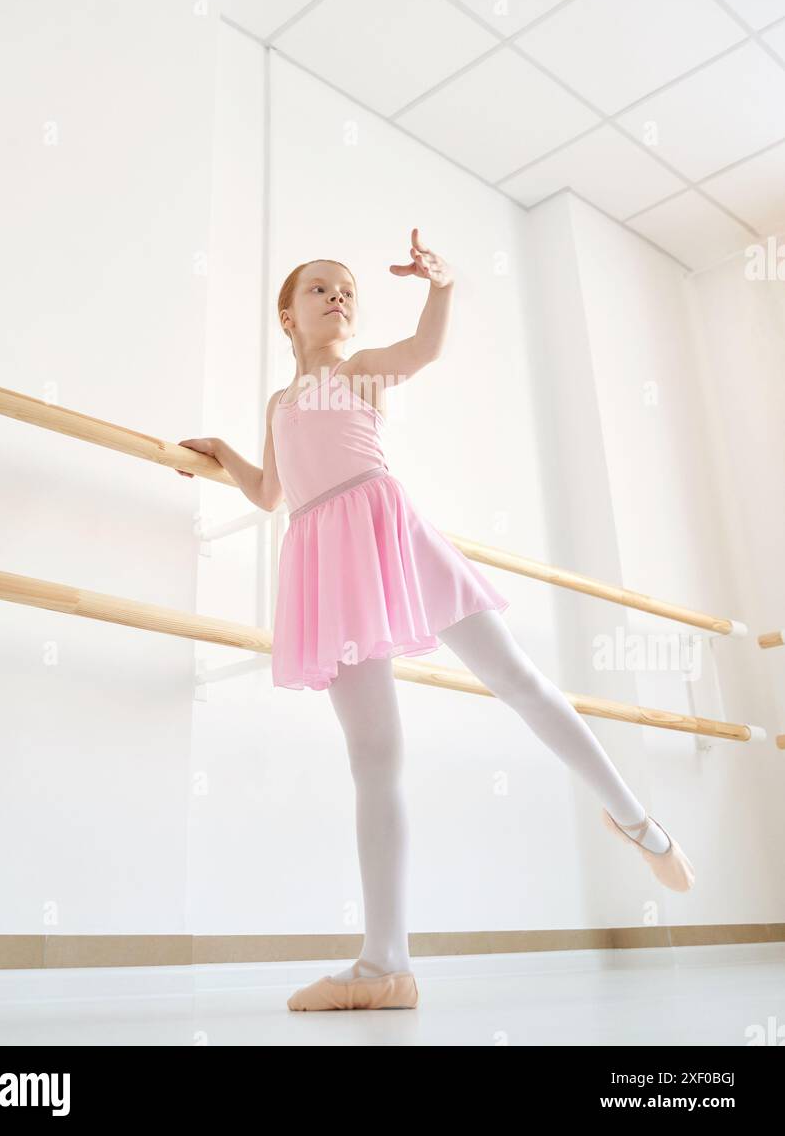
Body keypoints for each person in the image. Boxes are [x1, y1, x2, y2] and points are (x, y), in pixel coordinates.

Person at [177, 229, 694, 1013]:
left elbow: (423, 347)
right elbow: (271, 494)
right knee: (374, 754)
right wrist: (223, 454)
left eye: (346, 287)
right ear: (287, 316)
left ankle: (638, 821)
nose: (337, 294)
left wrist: (442, 285)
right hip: (325, 557)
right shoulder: (282, 403)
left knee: (518, 680)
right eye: (319, 286)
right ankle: (385, 961)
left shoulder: (360, 371)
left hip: (389, 531)